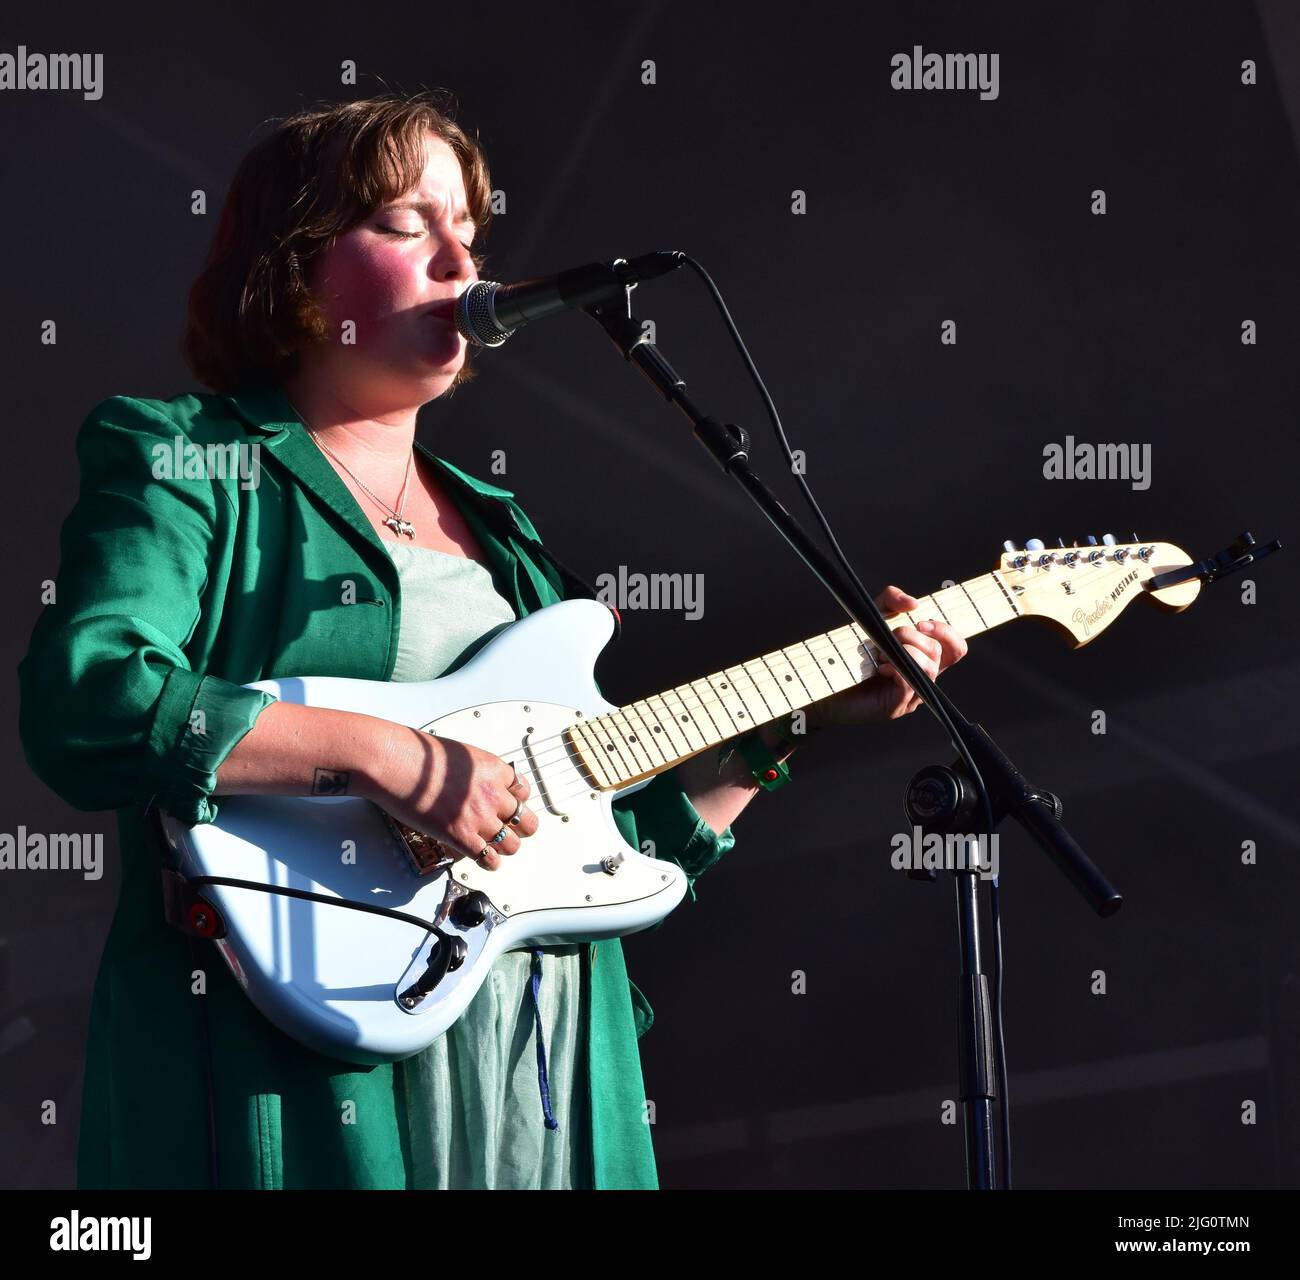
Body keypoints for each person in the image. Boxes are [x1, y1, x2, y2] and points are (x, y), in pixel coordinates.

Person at [16, 90, 967, 1190]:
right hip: (293, 1049)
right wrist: (393, 758)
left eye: (468, 228)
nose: (461, 259)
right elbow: (90, 698)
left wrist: (792, 721)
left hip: (535, 1063)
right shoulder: (188, 457)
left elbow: (625, 847)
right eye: (405, 222)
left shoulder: (505, 536)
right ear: (293, 264)